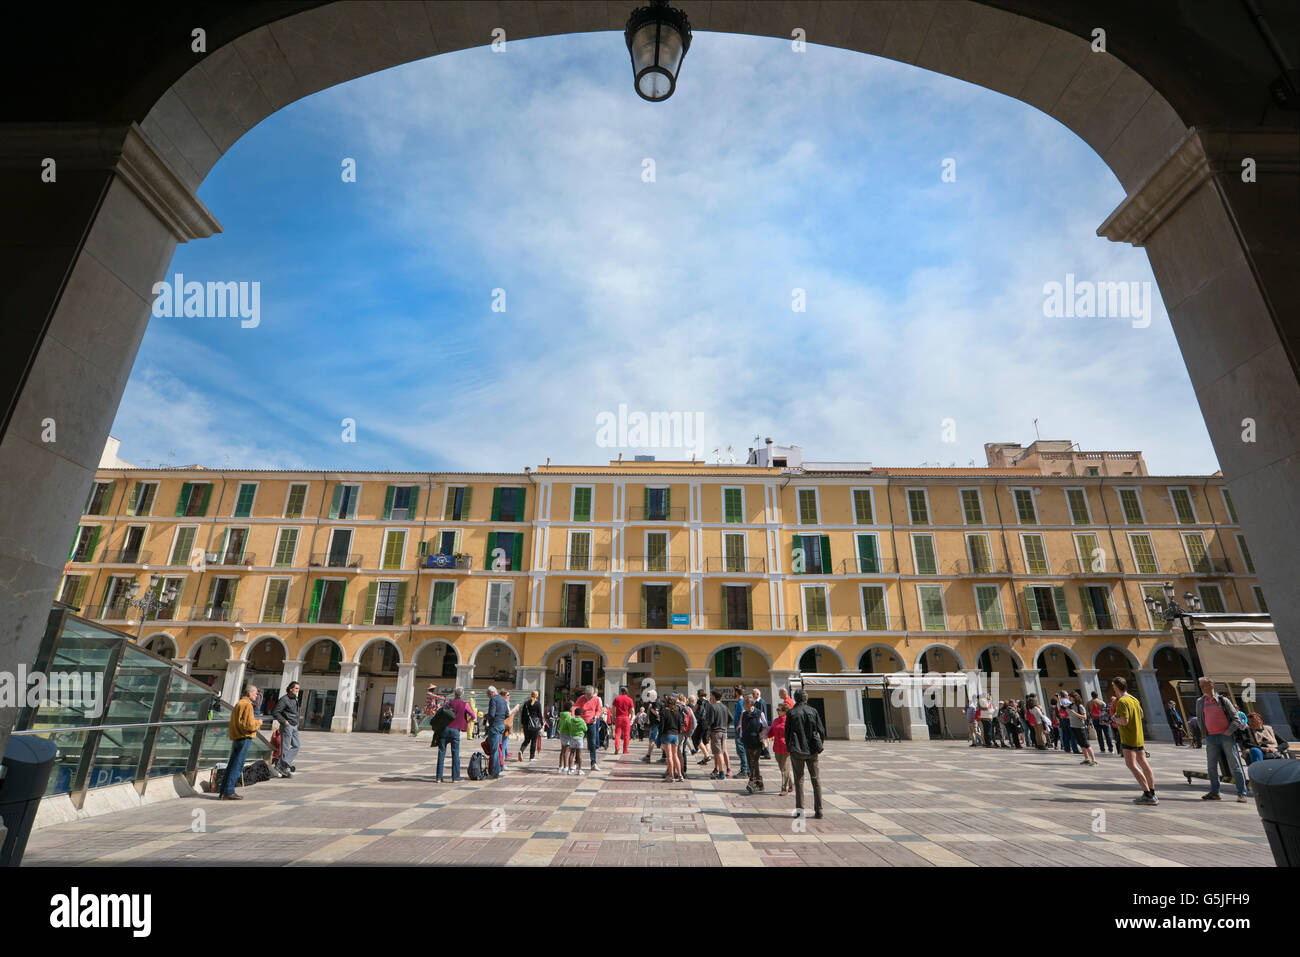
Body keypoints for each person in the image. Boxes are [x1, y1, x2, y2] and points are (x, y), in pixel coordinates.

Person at [1195, 677, 1249, 803]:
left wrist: (1228, 732)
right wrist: (1203, 734)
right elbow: (1199, 719)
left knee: (1234, 765)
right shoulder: (1200, 702)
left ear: (1211, 685)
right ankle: (1215, 792)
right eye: (1200, 685)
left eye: (1204, 685)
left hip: (1226, 737)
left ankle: (1242, 793)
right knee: (1211, 766)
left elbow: (1236, 719)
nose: (1202, 688)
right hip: (1210, 738)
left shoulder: (1224, 700)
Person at [1110, 677, 1157, 805]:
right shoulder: (1133, 699)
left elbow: (1124, 721)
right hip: (1139, 737)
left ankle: (1147, 794)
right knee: (1144, 763)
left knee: (1131, 765)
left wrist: (1115, 718)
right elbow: (1141, 715)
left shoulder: (1122, 701)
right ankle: (1152, 791)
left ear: (1116, 687)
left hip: (1128, 737)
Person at [784, 689, 826, 819]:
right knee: (816, 780)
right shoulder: (813, 711)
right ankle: (819, 810)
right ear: (806, 699)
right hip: (812, 749)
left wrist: (789, 747)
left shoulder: (791, 712)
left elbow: (787, 733)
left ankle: (800, 810)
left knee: (799, 780)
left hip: (797, 750)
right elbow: (821, 730)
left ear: (796, 699)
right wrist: (820, 744)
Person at [220, 684, 262, 800]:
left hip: (236, 737)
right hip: (244, 737)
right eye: (255, 693)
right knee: (237, 765)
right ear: (249, 693)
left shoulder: (239, 703)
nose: (256, 695)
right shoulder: (247, 705)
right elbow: (248, 725)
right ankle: (229, 791)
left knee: (231, 764)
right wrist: (258, 723)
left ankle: (223, 790)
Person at [437, 687, 476, 782]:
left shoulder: (449, 703)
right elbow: (473, 715)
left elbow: (441, 711)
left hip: (445, 729)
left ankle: (438, 777)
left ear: (454, 694)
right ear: (462, 695)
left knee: (441, 753)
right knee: (455, 754)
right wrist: (466, 722)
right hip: (455, 731)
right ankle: (455, 777)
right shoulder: (464, 704)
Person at [269, 681, 301, 777]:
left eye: (298, 689)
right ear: (290, 689)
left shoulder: (295, 699)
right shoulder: (284, 700)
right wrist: (284, 722)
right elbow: (275, 712)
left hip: (294, 725)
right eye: (296, 688)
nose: (297, 690)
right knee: (285, 747)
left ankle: (282, 764)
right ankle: (283, 767)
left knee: (297, 745)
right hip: (287, 726)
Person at [738, 693, 768, 794]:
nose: (743, 705)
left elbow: (765, 726)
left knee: (754, 761)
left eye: (744, 703)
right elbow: (742, 726)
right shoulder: (744, 713)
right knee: (750, 762)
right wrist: (741, 736)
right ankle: (759, 783)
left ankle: (752, 781)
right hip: (747, 740)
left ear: (750, 704)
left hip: (756, 740)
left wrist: (762, 735)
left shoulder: (759, 713)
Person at [573, 685, 603, 772]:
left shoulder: (596, 699)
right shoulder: (581, 698)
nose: (589, 696)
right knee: (579, 742)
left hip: (592, 723)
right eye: (587, 695)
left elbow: (598, 710)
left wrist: (596, 716)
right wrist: (573, 715)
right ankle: (577, 762)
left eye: (590, 695)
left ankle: (593, 763)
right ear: (585, 693)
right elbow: (575, 706)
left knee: (592, 743)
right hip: (582, 722)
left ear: (593, 693)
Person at [768, 700, 794, 795]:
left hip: (786, 748)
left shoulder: (788, 721)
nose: (777, 711)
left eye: (779, 709)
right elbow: (771, 732)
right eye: (777, 709)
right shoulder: (775, 720)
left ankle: (784, 789)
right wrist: (764, 735)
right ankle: (791, 784)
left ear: (784, 711)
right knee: (782, 768)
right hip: (777, 748)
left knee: (785, 769)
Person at [485, 686, 510, 779]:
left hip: (494, 726)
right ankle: (498, 768)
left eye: (488, 695)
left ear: (491, 693)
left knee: (494, 750)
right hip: (501, 726)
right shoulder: (503, 700)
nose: (488, 697)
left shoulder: (493, 700)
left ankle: (495, 772)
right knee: (499, 749)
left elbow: (491, 714)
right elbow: (507, 714)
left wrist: (485, 716)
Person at [707, 689, 733, 780]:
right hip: (724, 731)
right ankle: (725, 770)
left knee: (718, 753)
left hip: (716, 732)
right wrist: (726, 725)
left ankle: (721, 773)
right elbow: (731, 718)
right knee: (722, 750)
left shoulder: (712, 707)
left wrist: (708, 732)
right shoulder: (725, 707)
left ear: (713, 696)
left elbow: (711, 721)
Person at [556, 701, 587, 775]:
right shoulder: (569, 717)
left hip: (562, 733)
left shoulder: (562, 715)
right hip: (569, 734)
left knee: (563, 750)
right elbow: (571, 726)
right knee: (568, 750)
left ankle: (561, 765)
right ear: (570, 708)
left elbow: (559, 725)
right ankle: (567, 766)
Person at [1066, 692, 1097, 766]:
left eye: (1070, 697)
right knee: (1081, 744)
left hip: (1081, 727)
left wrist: (1074, 713)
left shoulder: (1080, 706)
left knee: (1086, 744)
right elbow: (1063, 708)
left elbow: (1084, 717)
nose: (1069, 698)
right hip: (1073, 726)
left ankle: (1094, 760)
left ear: (1074, 698)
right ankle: (1087, 759)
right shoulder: (1071, 706)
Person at [659, 694, 684, 782]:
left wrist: (660, 735)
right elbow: (681, 725)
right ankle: (680, 775)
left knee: (669, 756)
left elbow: (661, 725)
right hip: (675, 735)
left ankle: (671, 776)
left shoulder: (664, 712)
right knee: (675, 756)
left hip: (667, 735)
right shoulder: (677, 712)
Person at [519, 690, 545, 762]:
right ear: (537, 696)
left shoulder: (526, 703)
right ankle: (531, 757)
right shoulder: (537, 704)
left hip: (526, 725)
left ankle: (521, 751)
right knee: (534, 741)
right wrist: (542, 724)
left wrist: (522, 723)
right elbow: (540, 715)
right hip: (535, 725)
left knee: (526, 740)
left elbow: (523, 714)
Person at [732, 686, 751, 775]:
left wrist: (739, 725)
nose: (733, 693)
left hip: (739, 730)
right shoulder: (740, 702)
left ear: (736, 692)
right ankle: (745, 768)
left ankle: (744, 769)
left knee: (741, 749)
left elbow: (743, 712)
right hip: (739, 729)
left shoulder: (741, 702)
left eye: (733, 691)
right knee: (740, 749)